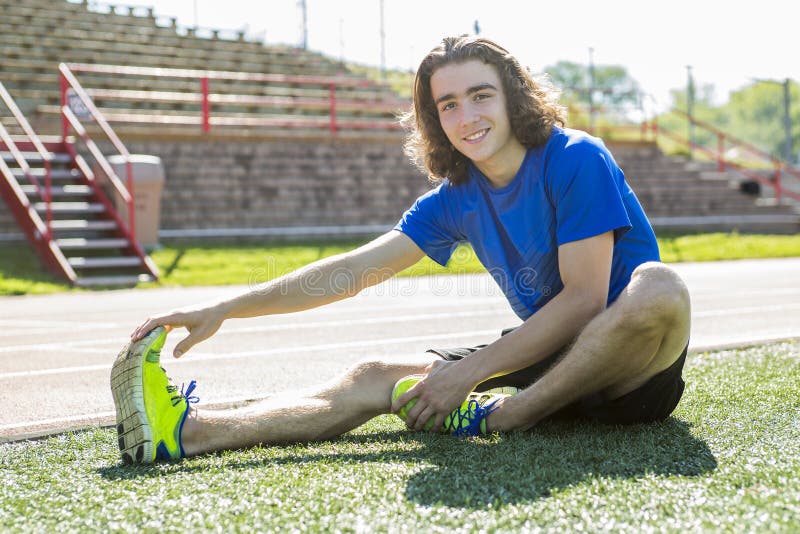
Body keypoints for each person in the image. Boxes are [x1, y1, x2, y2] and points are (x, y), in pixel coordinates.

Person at [111, 35, 691, 464]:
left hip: (630, 372)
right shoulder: (455, 197)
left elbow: (587, 301)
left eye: (480, 96)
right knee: (373, 375)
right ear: (435, 118)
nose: (467, 117)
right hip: (550, 359)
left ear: (513, 98)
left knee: (660, 288)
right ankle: (188, 433)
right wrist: (224, 309)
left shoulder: (575, 158)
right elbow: (351, 270)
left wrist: (471, 375)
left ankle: (514, 415)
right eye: (448, 105)